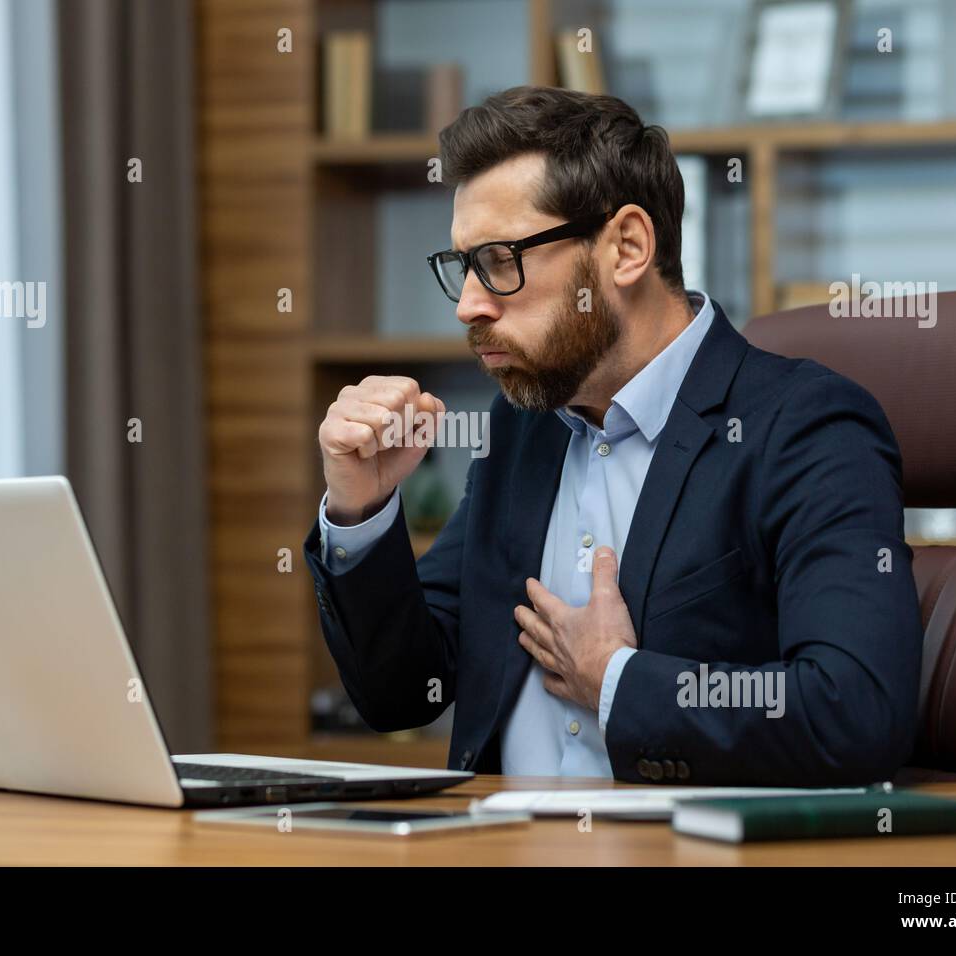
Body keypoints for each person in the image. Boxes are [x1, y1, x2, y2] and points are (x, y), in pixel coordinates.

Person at [303, 85, 923, 785]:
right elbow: (401, 691)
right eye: (464, 268)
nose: (470, 305)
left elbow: (856, 712)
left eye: (500, 262)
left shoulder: (805, 428)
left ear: (626, 247)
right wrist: (359, 509)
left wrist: (620, 682)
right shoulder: (522, 428)